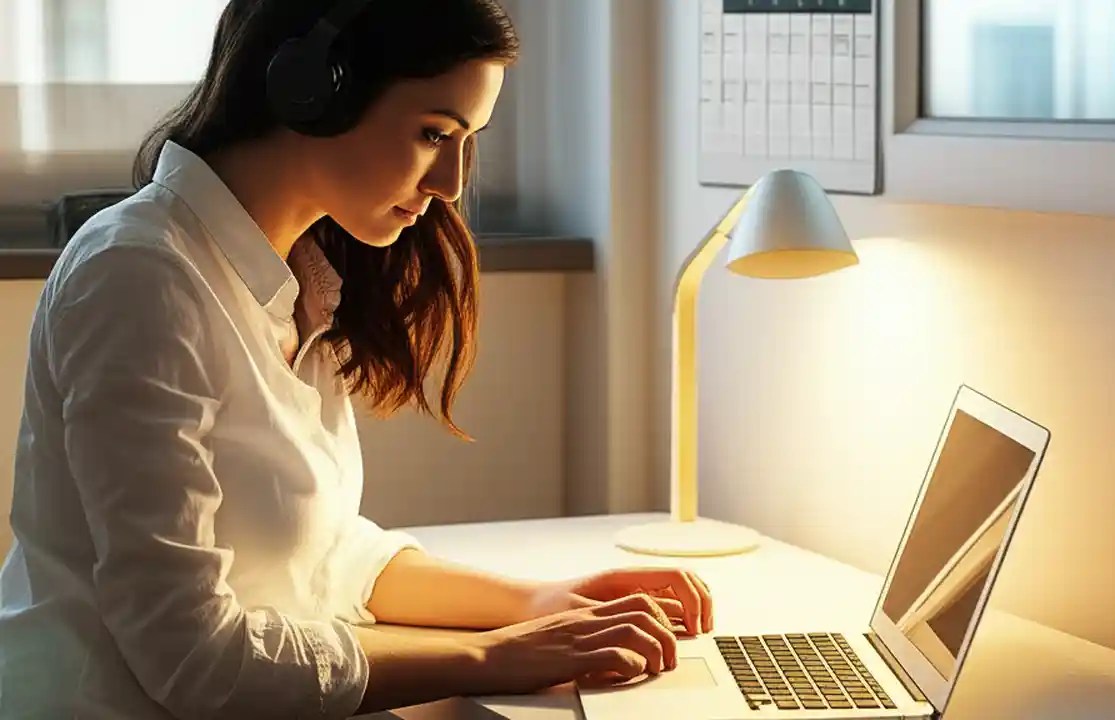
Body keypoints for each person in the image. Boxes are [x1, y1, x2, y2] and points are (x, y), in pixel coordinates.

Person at [0, 1, 714, 717]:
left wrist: (541, 602)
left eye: (468, 141)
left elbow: (324, 558)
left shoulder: (298, 284)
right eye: (434, 133)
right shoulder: (138, 275)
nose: (452, 185)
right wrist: (495, 657)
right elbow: (193, 657)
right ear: (314, 88)